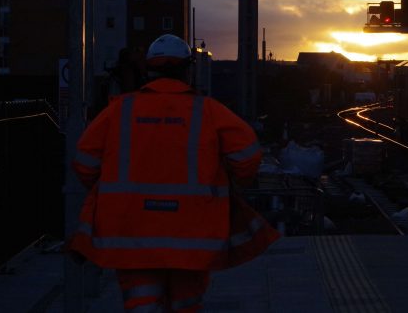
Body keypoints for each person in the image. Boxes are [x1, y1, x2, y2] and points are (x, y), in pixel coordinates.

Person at [69, 34, 279, 312]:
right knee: (186, 305)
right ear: (188, 71)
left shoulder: (119, 110)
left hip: (129, 234)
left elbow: (84, 161)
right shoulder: (209, 112)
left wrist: (108, 192)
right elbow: (248, 155)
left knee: (141, 305)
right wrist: (230, 186)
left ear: (149, 70)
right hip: (193, 237)